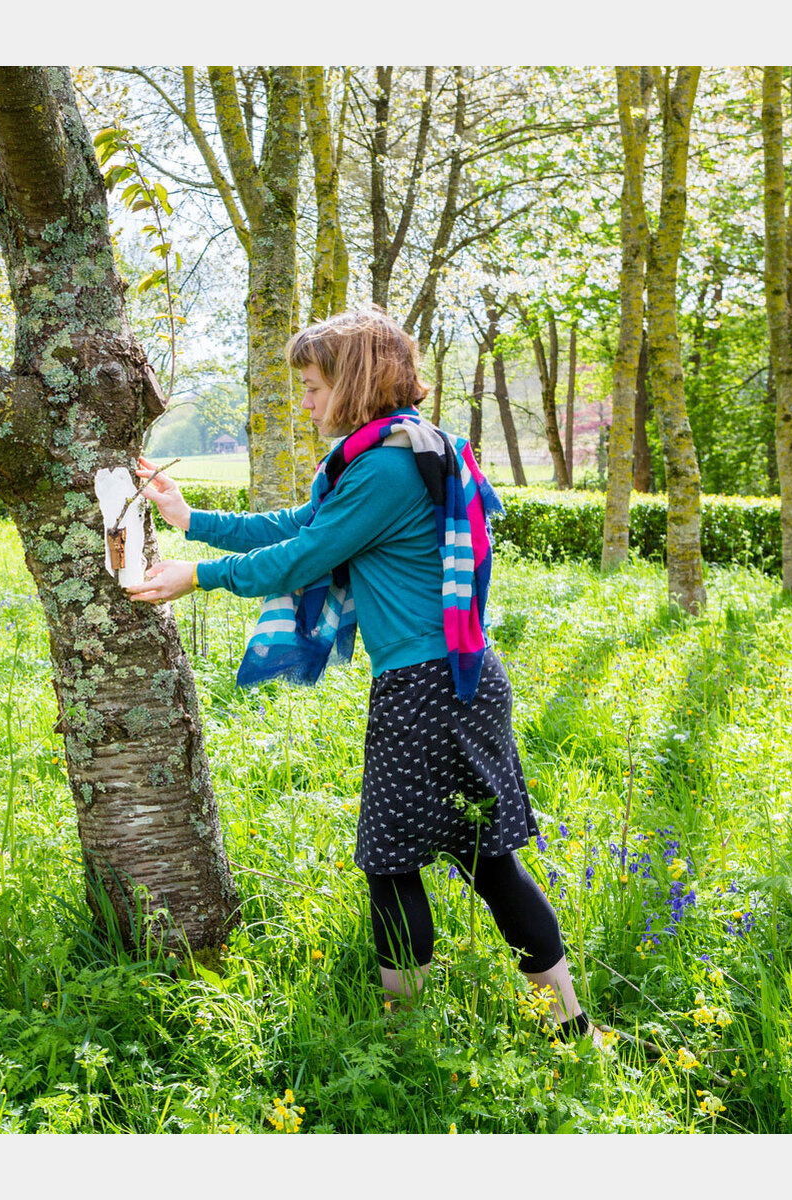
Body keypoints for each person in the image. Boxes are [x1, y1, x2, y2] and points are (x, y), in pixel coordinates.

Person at [125, 304, 604, 1047]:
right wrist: (193, 518)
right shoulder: (403, 451)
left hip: (426, 690)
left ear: (352, 381)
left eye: (314, 387)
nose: (308, 402)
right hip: (457, 680)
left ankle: (404, 1041)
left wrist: (202, 577)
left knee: (393, 862)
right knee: (485, 861)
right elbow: (302, 527)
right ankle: (569, 1031)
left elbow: (304, 558)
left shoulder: (382, 465)